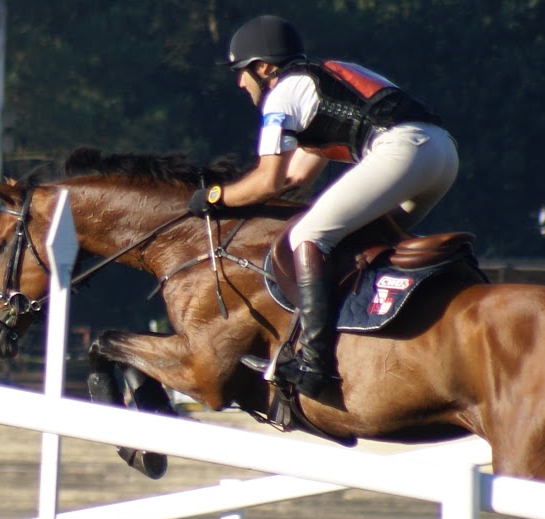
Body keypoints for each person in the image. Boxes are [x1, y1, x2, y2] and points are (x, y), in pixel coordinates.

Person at [188, 15, 458, 399]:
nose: (239, 82)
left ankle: (315, 361)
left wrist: (215, 198)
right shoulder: (319, 82)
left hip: (402, 152)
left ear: (264, 68)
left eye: (243, 71)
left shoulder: (282, 94)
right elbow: (297, 178)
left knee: (307, 235)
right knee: (362, 240)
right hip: (442, 153)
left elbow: (270, 180)